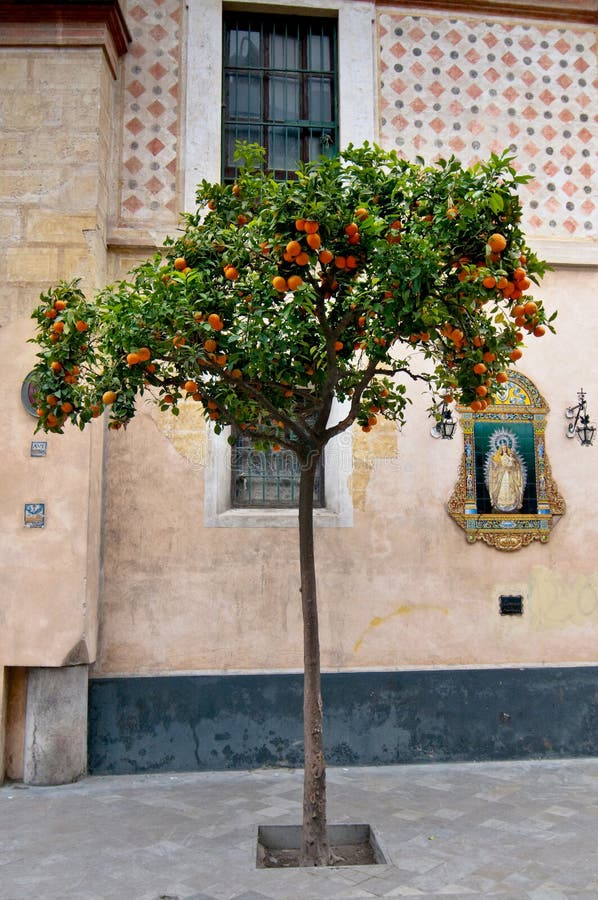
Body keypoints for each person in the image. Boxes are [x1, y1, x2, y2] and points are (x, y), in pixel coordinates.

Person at [487, 443, 524, 512]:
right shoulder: (499, 457)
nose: (504, 449)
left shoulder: (510, 457)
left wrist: (512, 465)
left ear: (507, 449)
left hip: (509, 474)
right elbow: (496, 468)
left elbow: (515, 466)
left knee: (511, 487)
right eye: (503, 448)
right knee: (502, 487)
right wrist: (496, 466)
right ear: (501, 449)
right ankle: (501, 503)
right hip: (502, 475)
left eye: (505, 448)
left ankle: (511, 503)